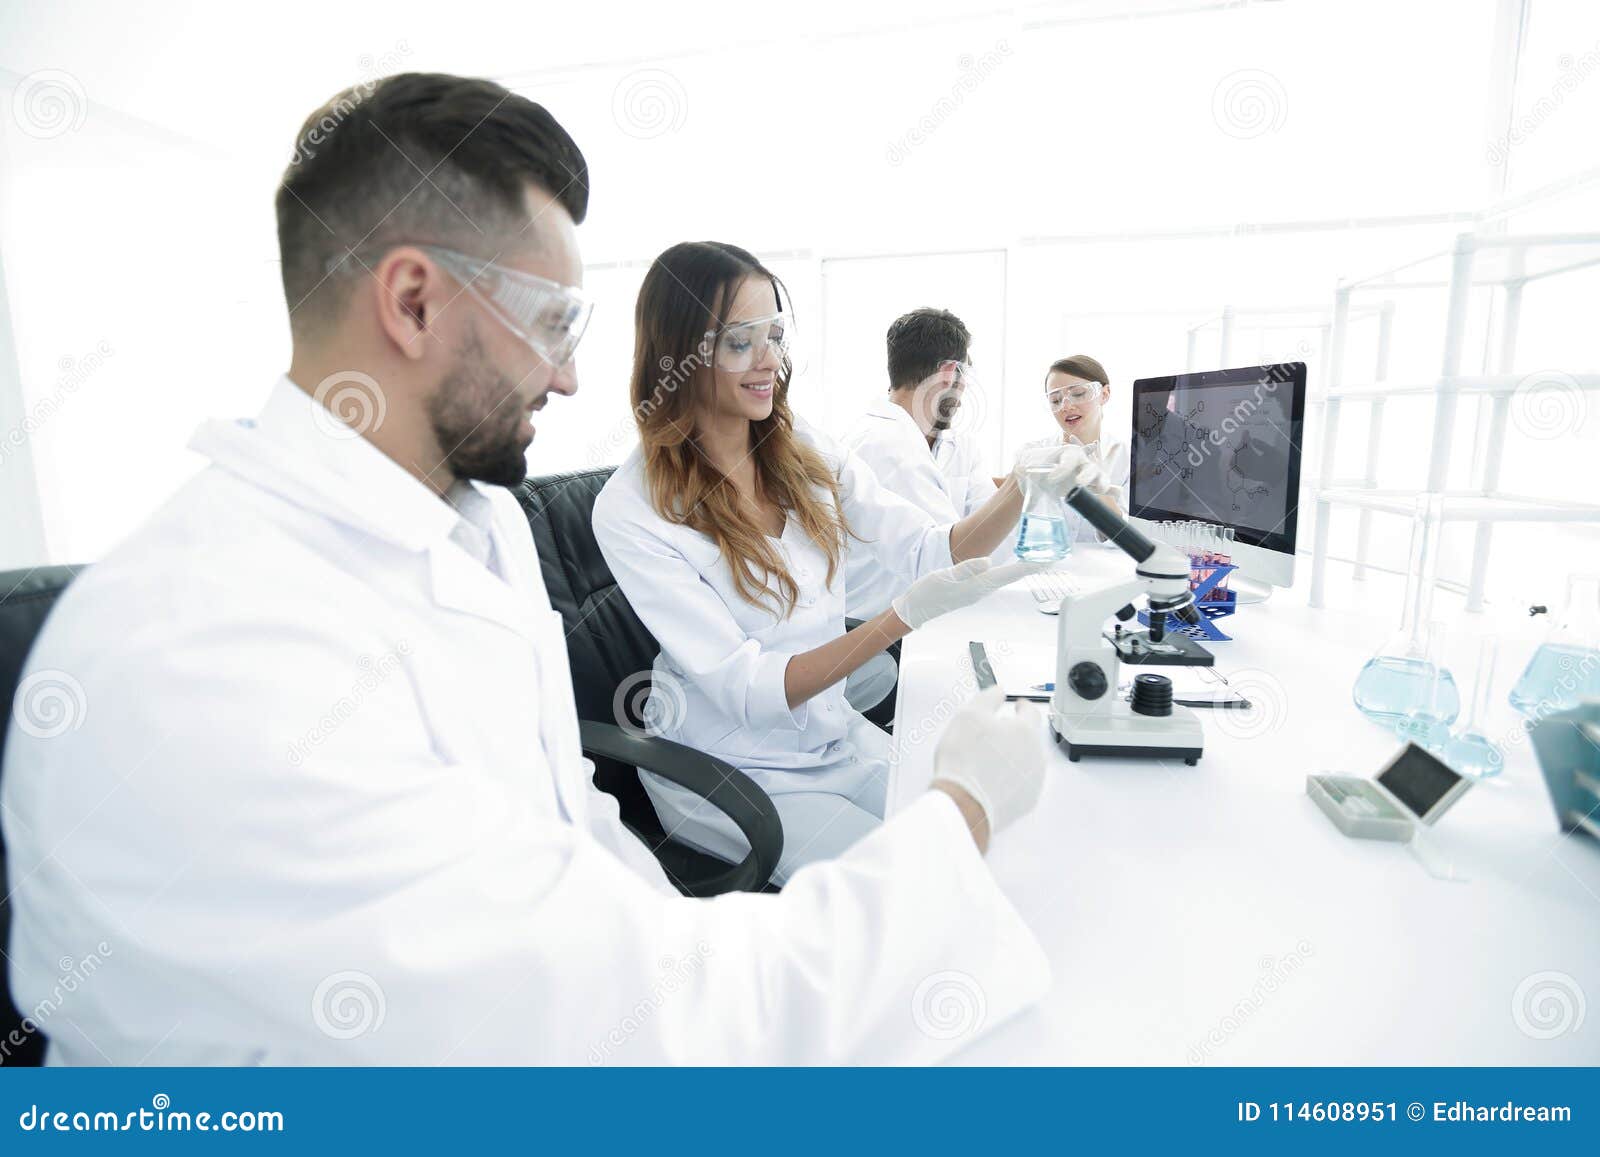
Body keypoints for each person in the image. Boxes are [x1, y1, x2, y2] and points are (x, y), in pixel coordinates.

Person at [1, 74, 1055, 1065]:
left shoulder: (476, 529)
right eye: (552, 323)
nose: (568, 374)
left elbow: (580, 834)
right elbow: (643, 1030)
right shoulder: (208, 651)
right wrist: (959, 802)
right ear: (412, 302)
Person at [591, 243, 1090, 884]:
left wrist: (1023, 484)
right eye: (742, 341)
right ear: (678, 353)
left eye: (775, 334)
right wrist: (900, 619)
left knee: (1003, 841)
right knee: (927, 879)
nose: (770, 359)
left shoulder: (804, 450)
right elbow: (749, 688)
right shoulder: (633, 509)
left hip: (831, 735)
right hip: (731, 767)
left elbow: (933, 550)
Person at [841, 308, 1006, 621]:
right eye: (964, 374)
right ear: (949, 371)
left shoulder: (962, 446)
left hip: (930, 616)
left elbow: (992, 534)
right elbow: (948, 561)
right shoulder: (880, 444)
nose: (965, 387)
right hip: (874, 630)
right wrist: (1024, 485)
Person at [1032, 354, 1130, 543]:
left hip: (1107, 570)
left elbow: (1128, 539)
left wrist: (1099, 493)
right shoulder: (1036, 454)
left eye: (1078, 394)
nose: (1066, 406)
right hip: (1047, 570)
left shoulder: (1126, 457)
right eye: (1055, 400)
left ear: (1104, 394)